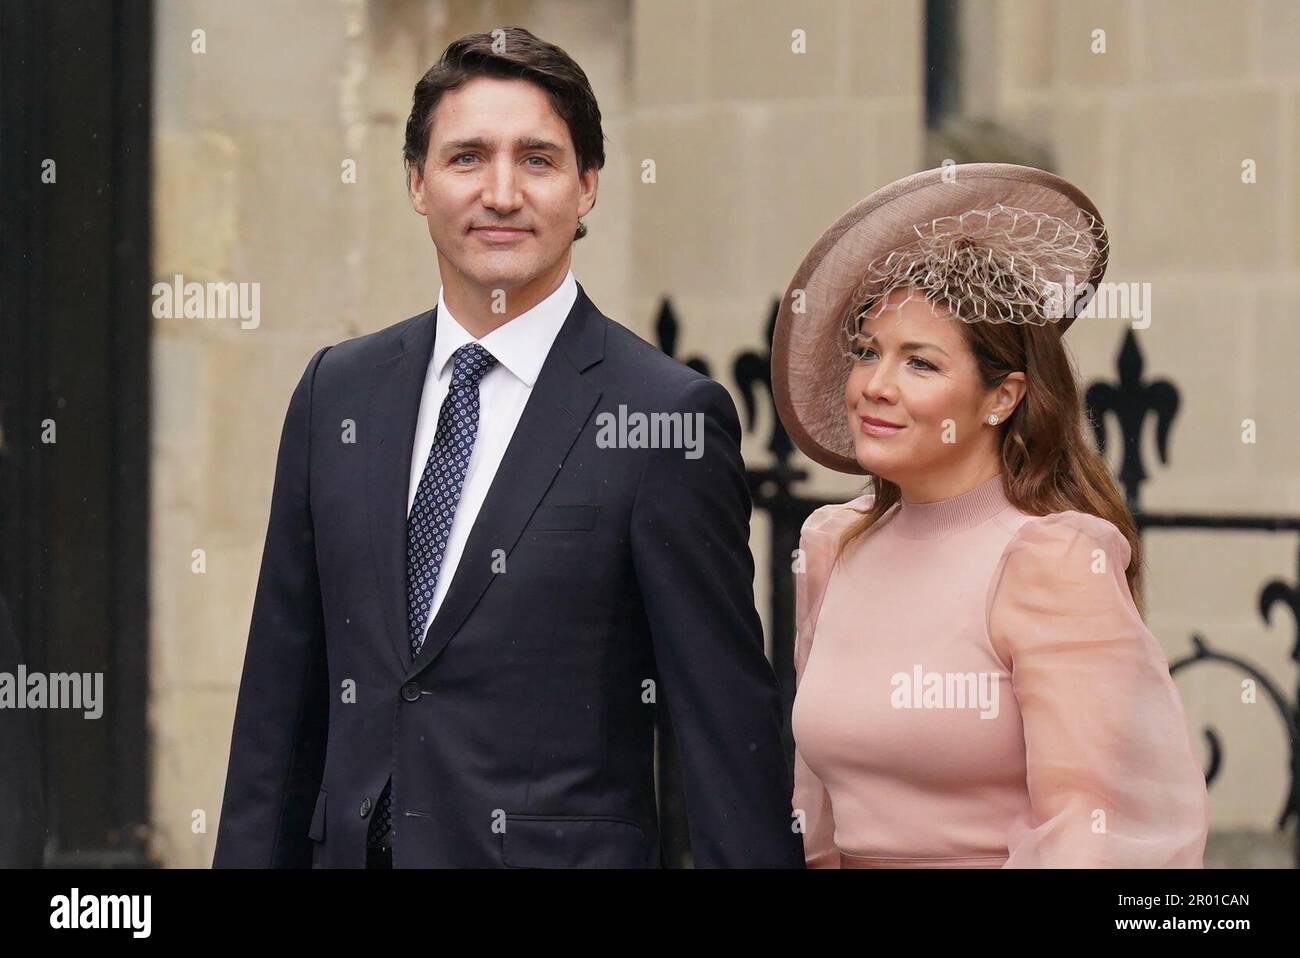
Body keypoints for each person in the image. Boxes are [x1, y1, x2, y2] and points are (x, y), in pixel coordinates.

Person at [213, 27, 803, 869]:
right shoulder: (336, 393)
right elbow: (278, 705)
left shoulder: (666, 418)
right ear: (417, 182)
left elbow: (722, 734)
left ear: (587, 185)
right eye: (466, 158)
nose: (501, 192)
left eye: (536, 159)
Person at [772, 163, 1209, 867]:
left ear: (1001, 397)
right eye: (867, 353)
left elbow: (1084, 833)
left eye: (920, 363)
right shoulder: (834, 545)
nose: (876, 387)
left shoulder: (1052, 561)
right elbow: (816, 811)